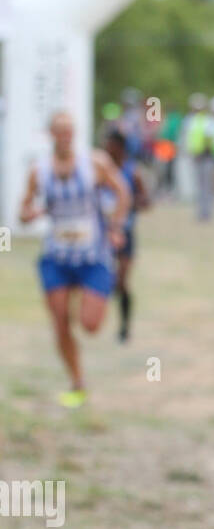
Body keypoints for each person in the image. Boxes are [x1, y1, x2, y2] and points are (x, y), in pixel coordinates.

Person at [18, 110, 130, 408]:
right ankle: (77, 381)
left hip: (92, 255)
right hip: (57, 256)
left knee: (90, 325)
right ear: (51, 135)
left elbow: (123, 192)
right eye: (60, 132)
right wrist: (31, 214)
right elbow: (23, 210)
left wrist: (116, 227)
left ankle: (84, 296)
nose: (66, 137)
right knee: (59, 322)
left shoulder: (94, 163)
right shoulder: (39, 170)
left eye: (70, 131)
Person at [102, 128, 150, 342]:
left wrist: (130, 204)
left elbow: (146, 201)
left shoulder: (132, 172)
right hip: (102, 234)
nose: (106, 149)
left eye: (110, 145)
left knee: (121, 281)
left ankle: (124, 326)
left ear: (119, 147)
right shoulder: (100, 170)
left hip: (126, 233)